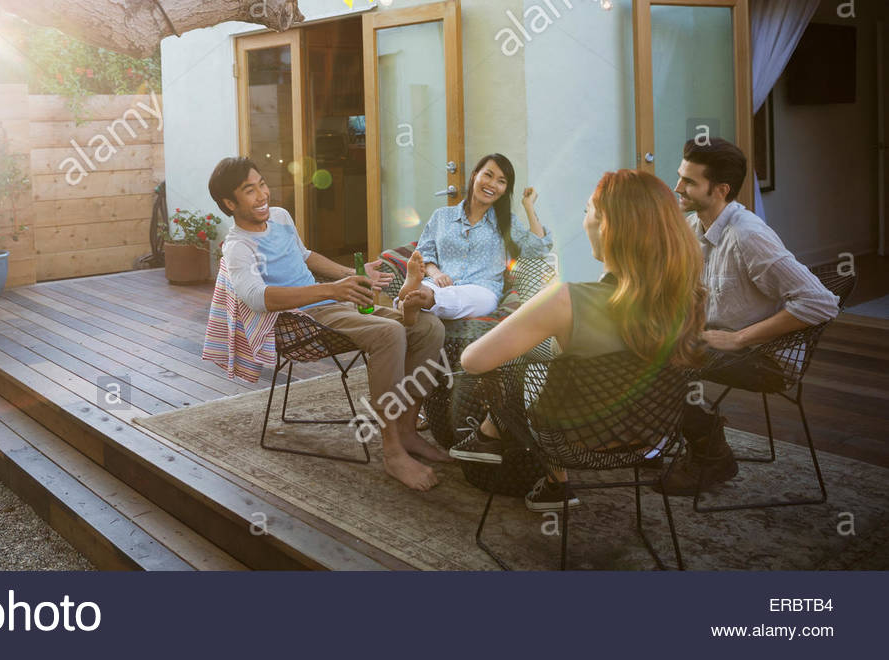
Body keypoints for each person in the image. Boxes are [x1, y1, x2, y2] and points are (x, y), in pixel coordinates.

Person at [449, 170, 706, 511]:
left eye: (587, 210)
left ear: (607, 226)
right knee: (556, 355)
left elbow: (473, 361)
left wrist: (527, 318)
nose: (583, 220)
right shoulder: (690, 298)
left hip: (570, 441)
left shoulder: (565, 300)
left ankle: (490, 438)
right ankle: (546, 480)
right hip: (650, 436)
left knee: (515, 359)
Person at [208, 157, 448, 491]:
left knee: (428, 326)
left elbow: (305, 256)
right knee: (391, 332)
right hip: (303, 320)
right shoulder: (238, 247)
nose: (263, 194)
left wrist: (353, 275)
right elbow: (256, 297)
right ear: (229, 203)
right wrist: (330, 290)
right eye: (250, 190)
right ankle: (392, 450)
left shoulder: (279, 217)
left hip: (333, 306)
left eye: (262, 183)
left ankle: (407, 430)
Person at [655, 137, 840, 496]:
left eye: (690, 182)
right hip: (719, 341)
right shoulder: (696, 228)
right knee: (635, 342)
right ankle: (658, 438)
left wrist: (739, 338)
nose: (678, 187)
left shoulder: (748, 235)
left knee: (655, 363)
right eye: (680, 177)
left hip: (766, 358)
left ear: (721, 190)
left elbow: (821, 303)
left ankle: (711, 454)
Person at [399, 153, 552, 320]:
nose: (492, 184)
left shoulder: (507, 222)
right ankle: (418, 296)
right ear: (474, 175)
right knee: (429, 290)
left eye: (501, 181)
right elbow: (424, 254)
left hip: (481, 289)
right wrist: (436, 275)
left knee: (470, 300)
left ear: (505, 190)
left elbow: (538, 248)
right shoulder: (441, 216)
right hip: (440, 284)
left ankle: (421, 301)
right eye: (488, 175)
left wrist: (528, 206)